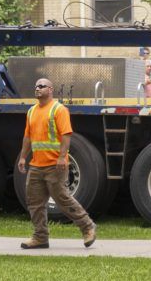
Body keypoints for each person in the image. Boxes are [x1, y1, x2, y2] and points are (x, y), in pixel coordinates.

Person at [17, 78, 96, 249]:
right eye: (36, 86)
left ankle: (87, 227)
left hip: (55, 165)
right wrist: (23, 157)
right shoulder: (31, 111)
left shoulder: (59, 110)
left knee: (62, 199)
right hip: (36, 165)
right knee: (34, 202)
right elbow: (28, 137)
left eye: (42, 86)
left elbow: (66, 134)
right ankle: (40, 237)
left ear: (51, 89)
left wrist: (62, 157)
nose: (37, 89)